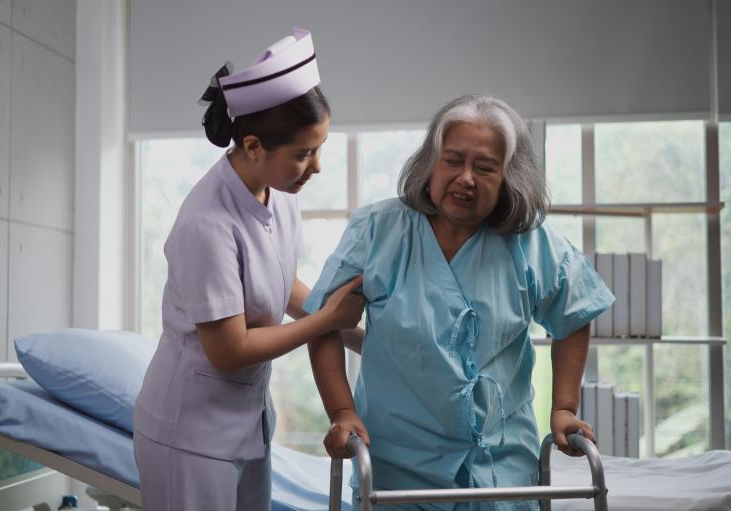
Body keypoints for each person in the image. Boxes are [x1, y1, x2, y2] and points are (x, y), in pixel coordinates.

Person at [305, 95, 615, 510]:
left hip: (501, 469)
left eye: (485, 167)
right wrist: (342, 410)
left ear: (509, 177)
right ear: (430, 163)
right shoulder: (377, 231)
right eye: (452, 161)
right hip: (398, 465)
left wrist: (564, 407)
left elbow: (574, 312)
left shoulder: (531, 243)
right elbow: (324, 323)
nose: (465, 178)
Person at [132, 28, 365, 511]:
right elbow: (230, 349)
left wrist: (355, 329)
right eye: (304, 153)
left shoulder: (278, 196)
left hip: (246, 422)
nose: (316, 166)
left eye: (318, 148)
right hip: (190, 436)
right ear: (255, 146)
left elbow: (280, 288)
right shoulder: (206, 224)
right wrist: (327, 321)